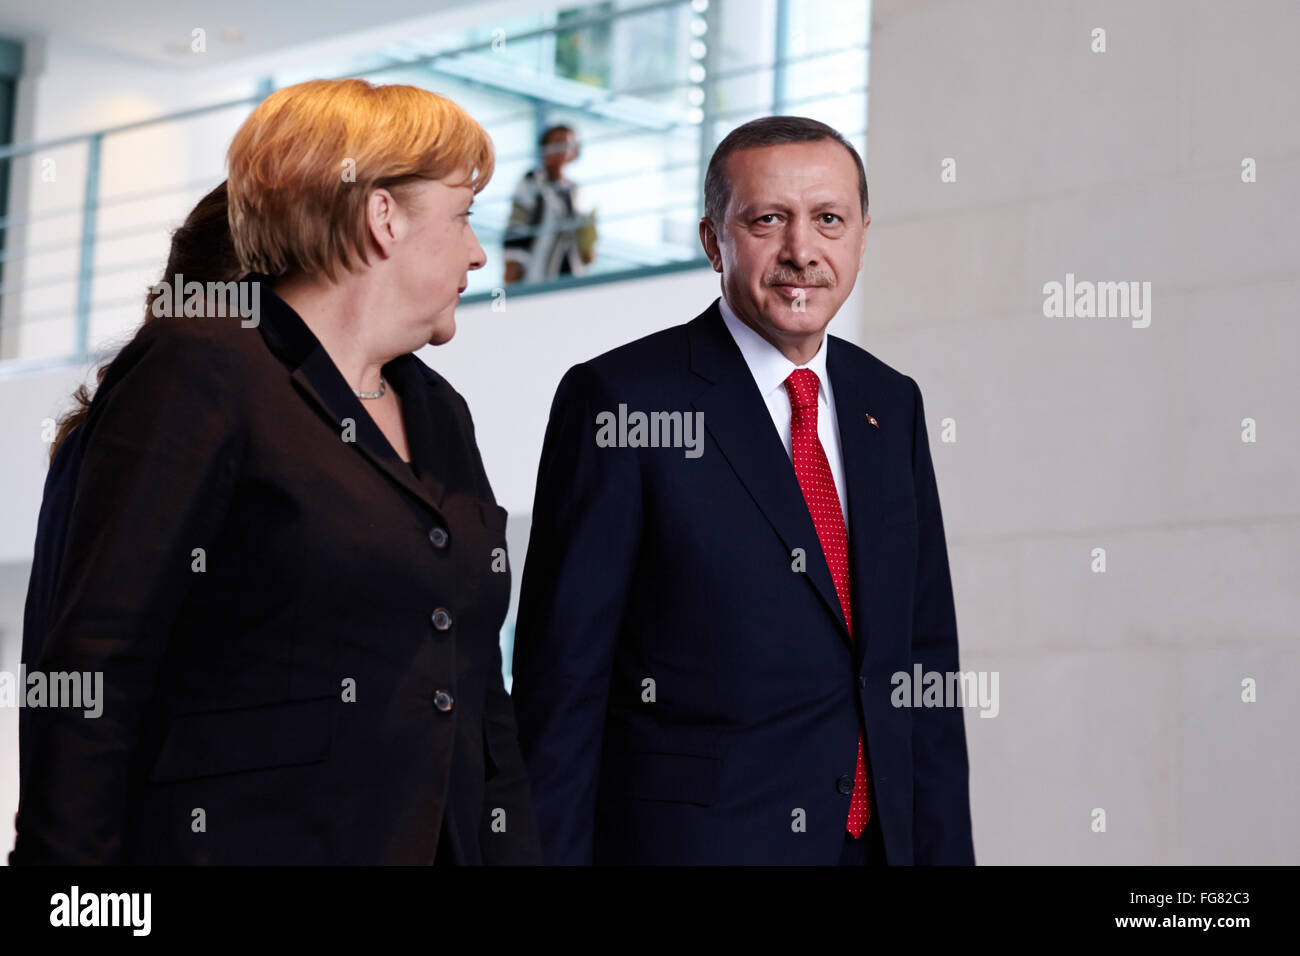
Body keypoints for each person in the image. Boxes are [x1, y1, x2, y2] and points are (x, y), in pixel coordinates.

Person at [11, 78, 541, 865]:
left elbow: (477, 693)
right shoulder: (203, 367)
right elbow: (98, 666)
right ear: (383, 217)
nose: (477, 252)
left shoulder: (440, 412)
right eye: (463, 216)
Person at [512, 116, 975, 865]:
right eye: (768, 220)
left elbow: (924, 662)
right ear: (712, 240)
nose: (802, 250)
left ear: (862, 237)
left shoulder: (890, 403)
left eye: (829, 220)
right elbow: (563, 684)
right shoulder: (622, 400)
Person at [502, 124, 593, 284]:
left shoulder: (576, 191)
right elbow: (517, 225)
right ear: (544, 147)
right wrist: (512, 267)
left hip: (569, 272)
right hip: (537, 270)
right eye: (556, 143)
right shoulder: (531, 181)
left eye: (567, 144)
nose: (562, 149)